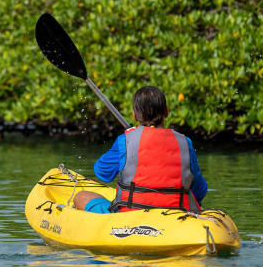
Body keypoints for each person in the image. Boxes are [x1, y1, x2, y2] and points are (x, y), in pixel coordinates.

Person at [72, 86, 208, 214]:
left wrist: (128, 138)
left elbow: (102, 172)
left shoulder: (125, 140)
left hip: (130, 215)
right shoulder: (185, 142)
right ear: (166, 112)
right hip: (176, 213)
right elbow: (200, 190)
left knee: (81, 196)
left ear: (135, 116)